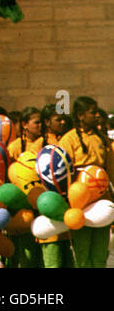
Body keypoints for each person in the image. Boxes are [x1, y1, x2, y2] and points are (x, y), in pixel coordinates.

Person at [60, 96, 111, 269]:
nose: (97, 115)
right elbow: (63, 173)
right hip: (81, 203)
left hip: (102, 200)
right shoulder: (68, 139)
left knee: (100, 252)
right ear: (81, 115)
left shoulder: (101, 139)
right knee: (82, 253)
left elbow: (110, 169)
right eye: (93, 112)